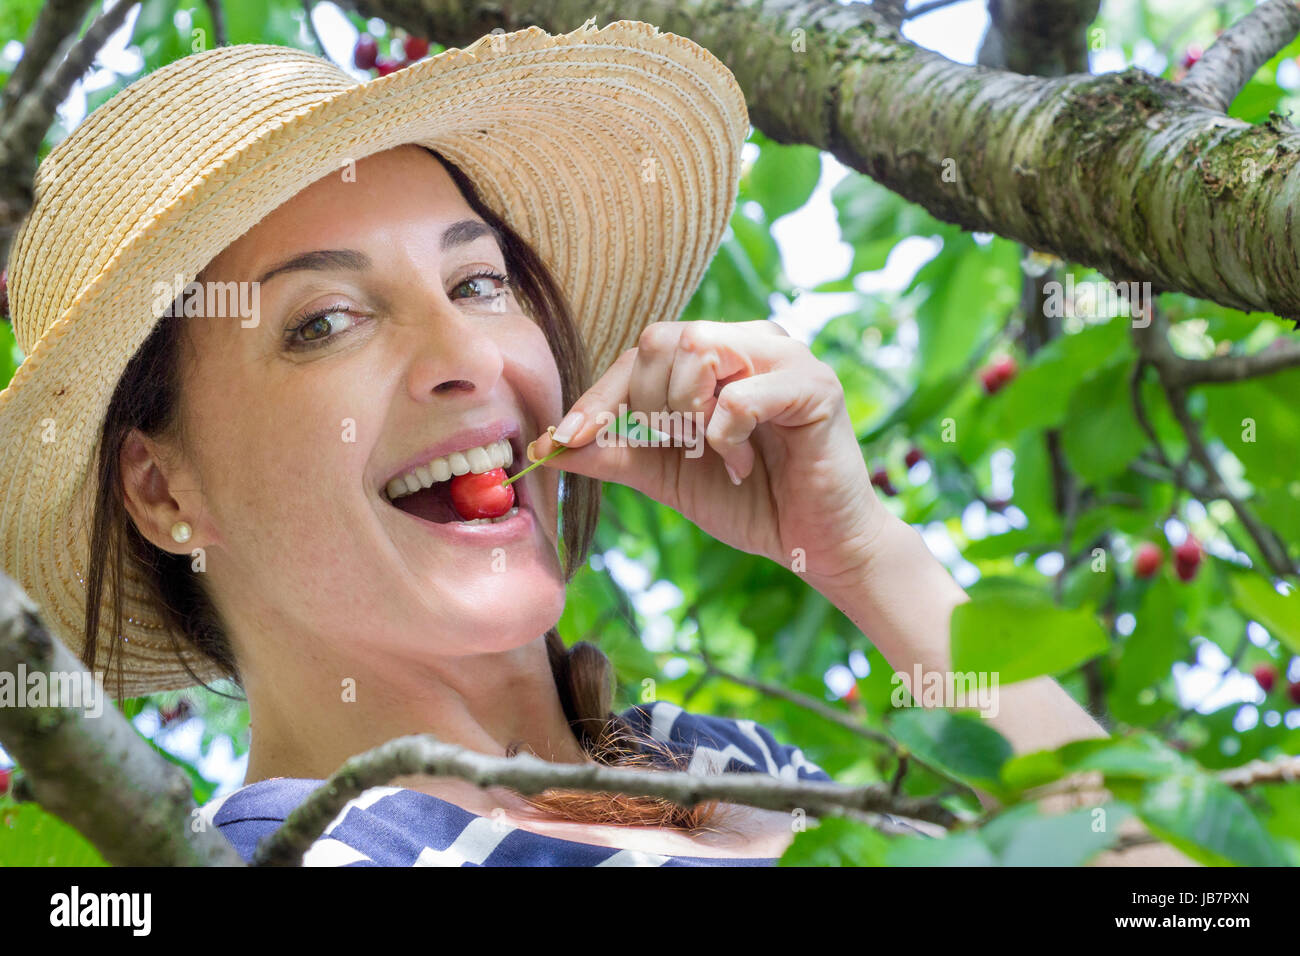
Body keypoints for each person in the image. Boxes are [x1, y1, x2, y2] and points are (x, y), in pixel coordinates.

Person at [0, 21, 1187, 866]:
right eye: (323, 321)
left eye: (478, 278)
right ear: (162, 491)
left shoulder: (714, 763)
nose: (462, 349)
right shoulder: (308, 855)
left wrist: (859, 552)